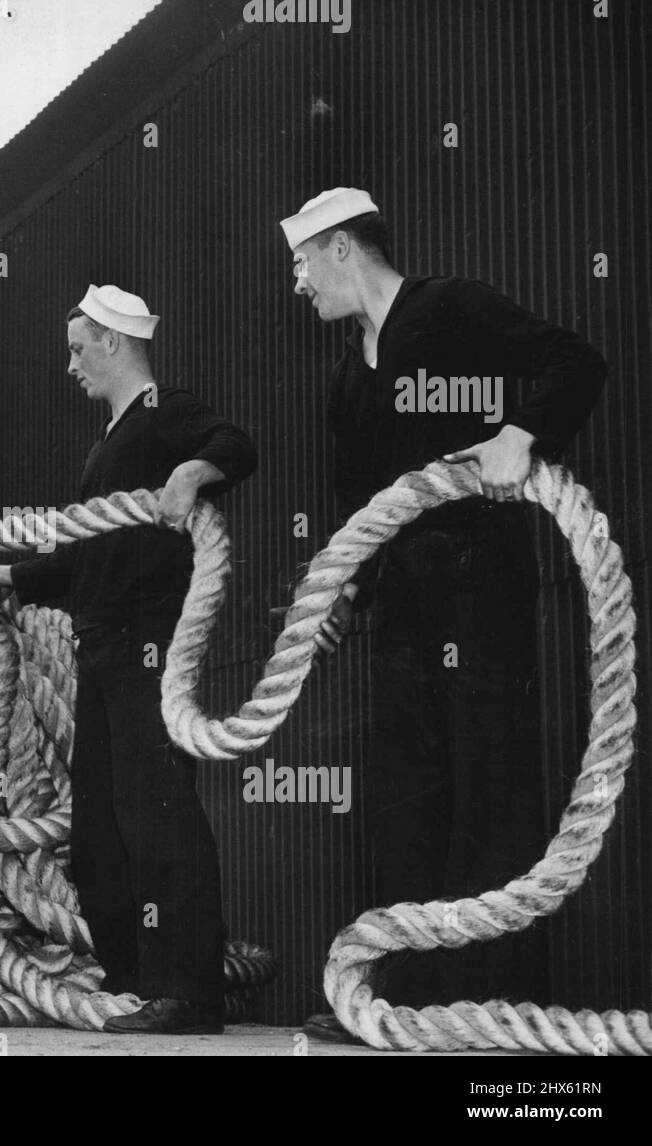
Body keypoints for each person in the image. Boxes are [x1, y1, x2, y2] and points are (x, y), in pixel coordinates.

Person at [280, 188, 607, 1038]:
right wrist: (344, 592)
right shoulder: (348, 379)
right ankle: (405, 1003)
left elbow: (574, 362)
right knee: (405, 798)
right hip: (402, 605)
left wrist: (521, 434)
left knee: (489, 785)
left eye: (302, 263)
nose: (298, 283)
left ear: (342, 247)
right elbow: (360, 510)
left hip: (477, 578)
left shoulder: (450, 308)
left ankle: (495, 1006)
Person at [0, 284, 257, 1033]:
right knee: (100, 828)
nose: (70, 365)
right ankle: (133, 979)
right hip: (99, 648)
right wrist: (11, 576)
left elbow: (236, 444)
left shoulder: (165, 412)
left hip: (147, 645)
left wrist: (191, 474)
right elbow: (82, 559)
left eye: (77, 349)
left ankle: (187, 992)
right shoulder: (107, 444)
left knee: (158, 811)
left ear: (113, 341)